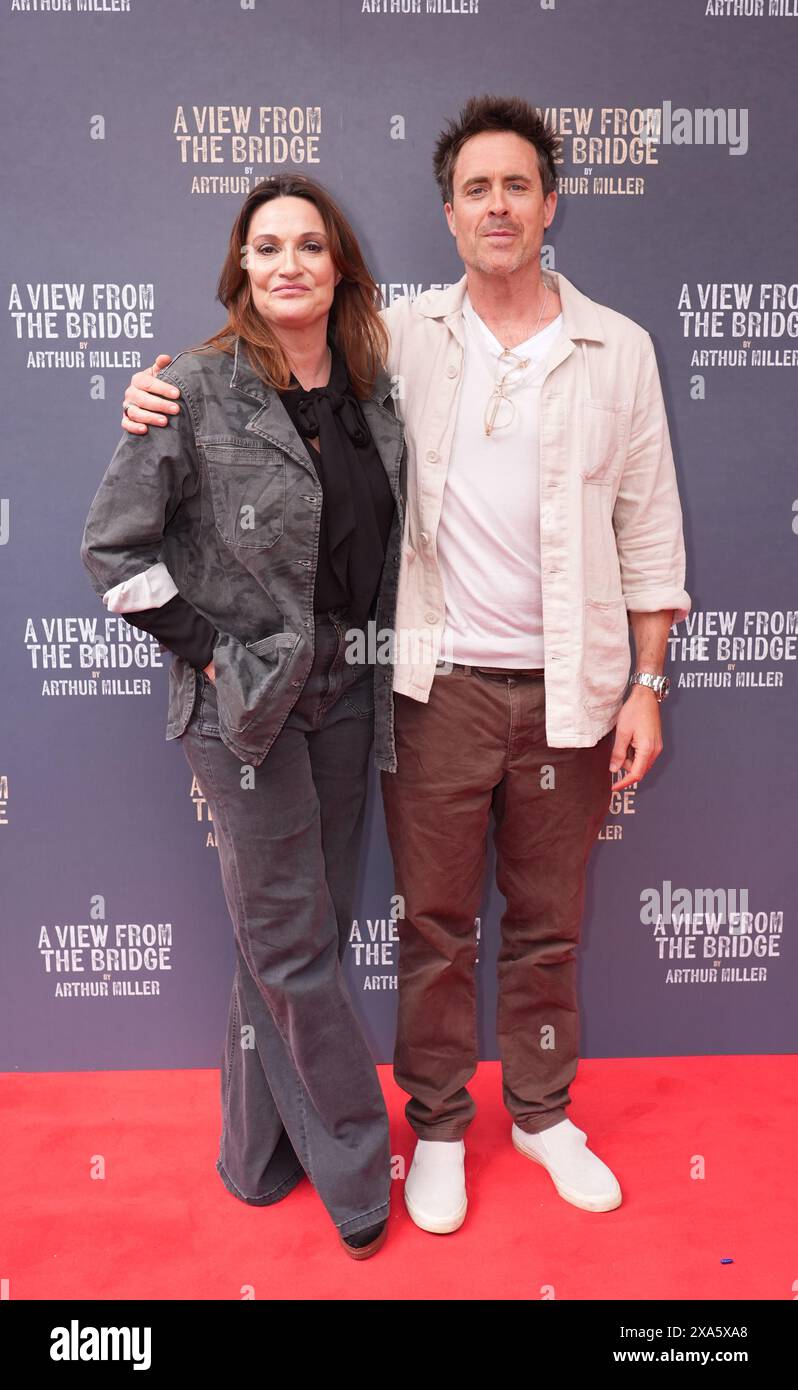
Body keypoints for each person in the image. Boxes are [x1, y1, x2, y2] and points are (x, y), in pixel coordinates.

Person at [117, 95, 692, 1237]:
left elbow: (651, 529)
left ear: (549, 203)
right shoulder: (401, 338)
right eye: (476, 188)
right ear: (448, 210)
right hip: (430, 687)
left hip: (573, 694)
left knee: (547, 923)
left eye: (517, 185)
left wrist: (647, 681)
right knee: (430, 922)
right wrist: (160, 389)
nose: (497, 205)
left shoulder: (617, 347)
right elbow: (268, 370)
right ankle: (436, 1126)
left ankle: (539, 1113)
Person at [81, 174, 407, 1259]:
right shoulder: (195, 389)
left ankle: (254, 1153)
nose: (288, 265)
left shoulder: (373, 387)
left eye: (309, 245)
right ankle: (360, 1163)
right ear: (242, 268)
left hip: (353, 693)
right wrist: (214, 657)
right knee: (294, 945)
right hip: (249, 708)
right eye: (266, 247)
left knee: (295, 940)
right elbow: (113, 551)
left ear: (340, 266)